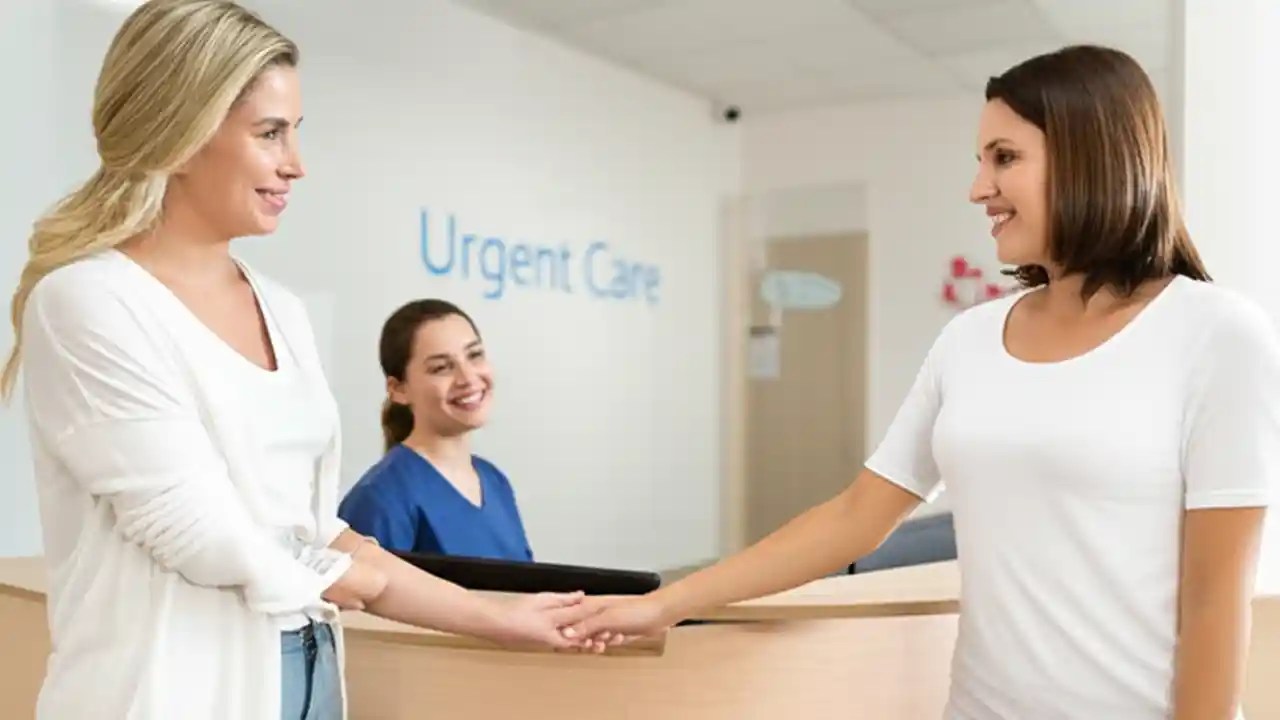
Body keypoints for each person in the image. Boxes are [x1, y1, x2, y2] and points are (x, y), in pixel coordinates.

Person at [567, 45, 1280, 720]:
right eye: (980, 161)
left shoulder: (1216, 335)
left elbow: (1217, 600)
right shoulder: (968, 341)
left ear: (1090, 158)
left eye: (1005, 158)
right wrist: (670, 600)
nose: (979, 188)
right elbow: (854, 517)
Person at [2, 3, 593, 719]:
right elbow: (200, 534)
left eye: (295, 133)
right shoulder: (88, 302)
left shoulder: (281, 308)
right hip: (166, 695)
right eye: (270, 134)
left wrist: (507, 618)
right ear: (184, 134)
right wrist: (356, 574)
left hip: (307, 672)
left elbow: (315, 529)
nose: (296, 165)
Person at [338, 299, 534, 562]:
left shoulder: (494, 481)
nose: (468, 378)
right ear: (399, 389)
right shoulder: (380, 499)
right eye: (442, 367)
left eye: (474, 355)